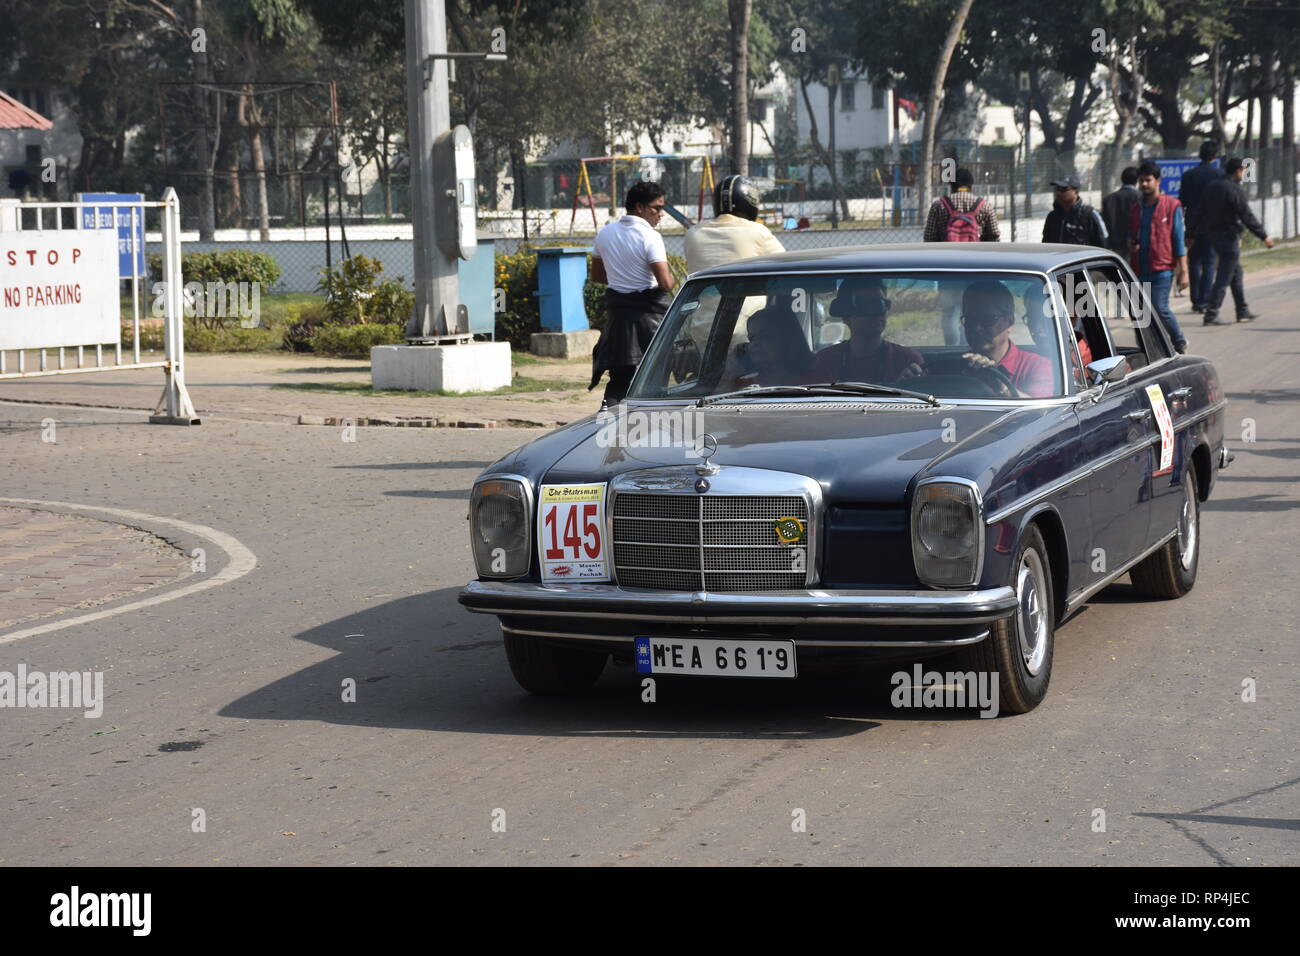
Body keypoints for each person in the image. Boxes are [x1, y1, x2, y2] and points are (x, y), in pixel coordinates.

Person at [588, 180, 675, 405]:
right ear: (639, 207)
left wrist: (622, 280)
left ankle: (610, 426)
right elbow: (666, 283)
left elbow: (597, 276)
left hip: (619, 318)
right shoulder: (650, 237)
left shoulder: (605, 234)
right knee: (657, 376)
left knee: (619, 378)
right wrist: (674, 277)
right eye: (657, 207)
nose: (661, 214)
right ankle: (653, 425)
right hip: (651, 319)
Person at [924, 167, 1001, 346]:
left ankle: (951, 348)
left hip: (947, 268)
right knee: (973, 310)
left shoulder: (939, 205)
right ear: (971, 185)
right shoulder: (984, 205)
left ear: (952, 185)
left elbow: (929, 239)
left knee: (950, 311)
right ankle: (970, 346)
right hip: (976, 269)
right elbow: (995, 238)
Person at [1198, 157, 1274, 326]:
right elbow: (1246, 215)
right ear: (1238, 171)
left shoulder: (1211, 186)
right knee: (1224, 276)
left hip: (1214, 236)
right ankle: (1211, 313)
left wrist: (1192, 234)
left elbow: (1200, 211)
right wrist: (1264, 236)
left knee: (1236, 273)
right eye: (1243, 171)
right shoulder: (1233, 189)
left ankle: (1242, 310)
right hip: (1229, 237)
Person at [811, 277, 924, 384]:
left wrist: (906, 388)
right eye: (868, 305)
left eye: (883, 305)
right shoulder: (825, 362)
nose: (879, 312)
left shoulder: (907, 361)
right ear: (846, 316)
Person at [1128, 160, 1189, 354]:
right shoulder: (1136, 209)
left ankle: (1179, 340)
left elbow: (1179, 240)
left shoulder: (1172, 206)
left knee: (1160, 307)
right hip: (1139, 268)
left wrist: (1183, 272)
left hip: (1162, 269)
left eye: (1148, 180)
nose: (1144, 184)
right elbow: (1132, 236)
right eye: (1141, 181)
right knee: (1141, 312)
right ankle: (1147, 349)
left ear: (1158, 181)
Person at [960, 280, 1054, 398]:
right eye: (970, 319)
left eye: (988, 318)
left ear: (1010, 321)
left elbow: (1042, 411)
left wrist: (1001, 387)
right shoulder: (955, 367)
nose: (977, 328)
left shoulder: (1037, 366)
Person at [684, 175, 785, 273]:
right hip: (746, 290)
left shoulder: (692, 234)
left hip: (702, 290)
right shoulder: (756, 231)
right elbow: (785, 263)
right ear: (748, 202)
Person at [1178, 141, 1224, 312]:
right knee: (1210, 263)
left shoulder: (1189, 175)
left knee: (1195, 263)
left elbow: (1181, 201)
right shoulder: (1219, 175)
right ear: (1215, 156)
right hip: (1213, 225)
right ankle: (1205, 300)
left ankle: (1196, 301)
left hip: (1193, 225)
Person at [734, 305, 816, 387]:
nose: (754, 344)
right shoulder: (747, 384)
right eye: (751, 338)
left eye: (764, 337)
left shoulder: (816, 381)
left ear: (788, 339)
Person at [1042, 175, 1108, 248]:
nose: (1058, 193)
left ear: (1076, 191)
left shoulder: (1089, 215)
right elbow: (1046, 244)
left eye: (1064, 189)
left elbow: (1103, 243)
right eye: (1057, 189)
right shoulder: (1052, 217)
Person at [1102, 167, 1140, 254]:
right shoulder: (1141, 198)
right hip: (1135, 248)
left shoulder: (1108, 200)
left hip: (1114, 249)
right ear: (1137, 180)